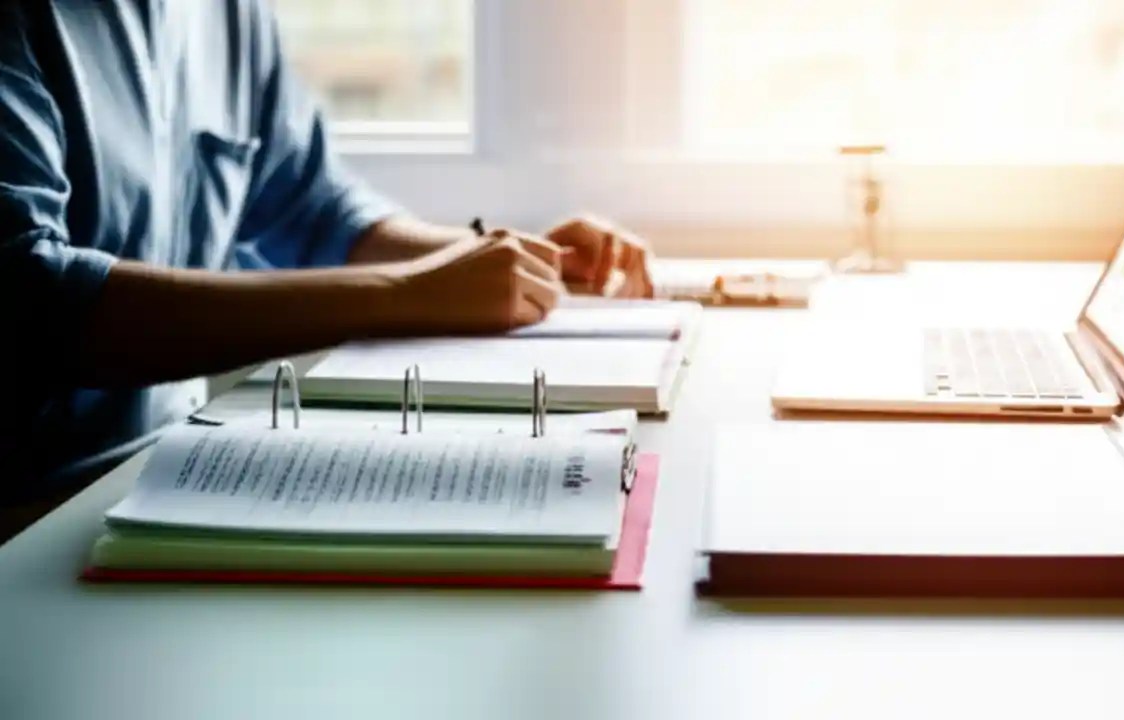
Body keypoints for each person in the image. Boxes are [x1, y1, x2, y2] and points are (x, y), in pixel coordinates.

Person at [0, 0, 654, 506]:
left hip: (165, 470)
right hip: (33, 506)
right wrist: (406, 296)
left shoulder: (223, 14)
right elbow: (36, 301)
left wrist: (511, 259)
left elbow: (313, 210)